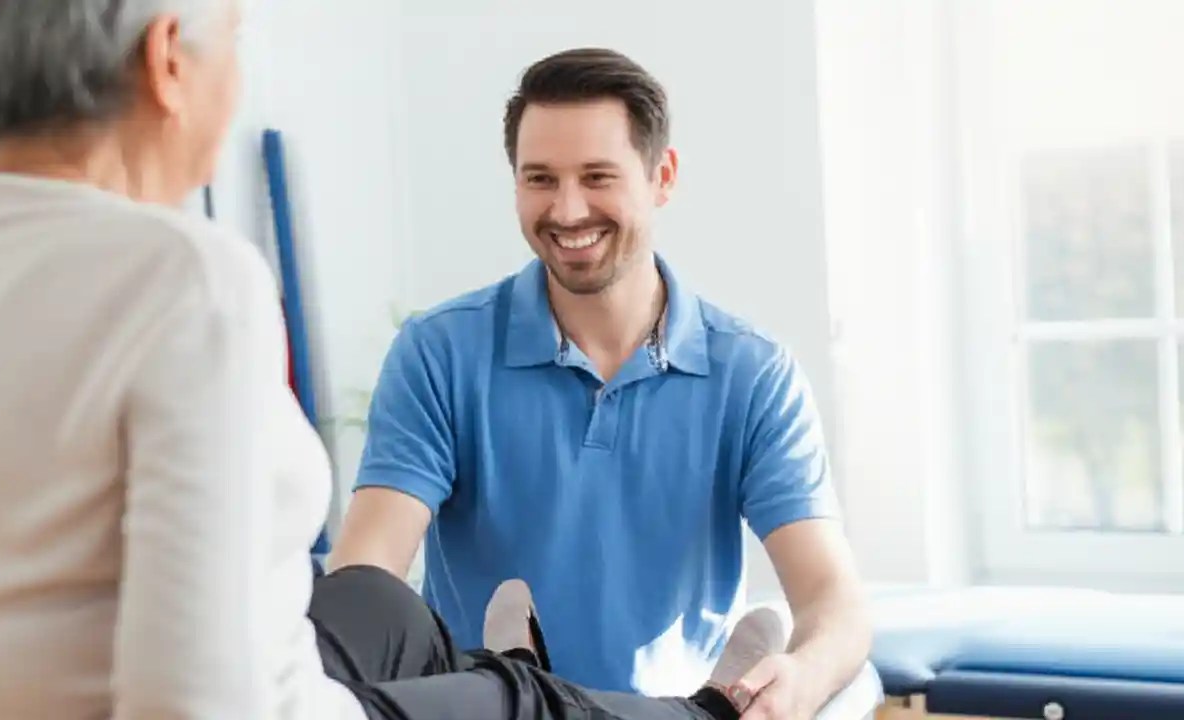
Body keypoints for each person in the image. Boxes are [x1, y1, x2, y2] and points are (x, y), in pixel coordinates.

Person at [0, 3, 783, 719]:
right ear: (167, 60)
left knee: (377, 603)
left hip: (296, 653)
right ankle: (705, 711)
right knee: (518, 703)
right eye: (238, 41)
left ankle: (511, 662)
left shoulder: (747, 364)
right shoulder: (185, 279)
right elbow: (192, 700)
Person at [332, 46, 872, 718]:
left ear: (661, 176)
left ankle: (539, 675)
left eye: (596, 176)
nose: (566, 209)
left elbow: (833, 599)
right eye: (539, 179)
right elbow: (368, 574)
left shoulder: (753, 374)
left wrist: (803, 674)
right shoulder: (438, 352)